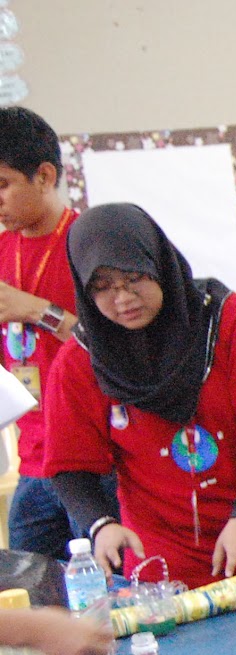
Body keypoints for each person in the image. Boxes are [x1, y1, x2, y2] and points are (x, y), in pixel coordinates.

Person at [44, 204, 236, 619]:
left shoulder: (229, 320)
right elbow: (69, 463)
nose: (122, 298)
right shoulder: (82, 359)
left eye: (134, 278)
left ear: (159, 264)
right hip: (164, 561)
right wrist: (100, 523)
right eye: (102, 287)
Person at [0, 107, 115, 559]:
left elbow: (115, 347)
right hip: (32, 460)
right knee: (36, 606)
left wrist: (37, 311)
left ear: (45, 176)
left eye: (3, 186)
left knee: (115, 596)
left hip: (96, 464)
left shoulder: (92, 244)